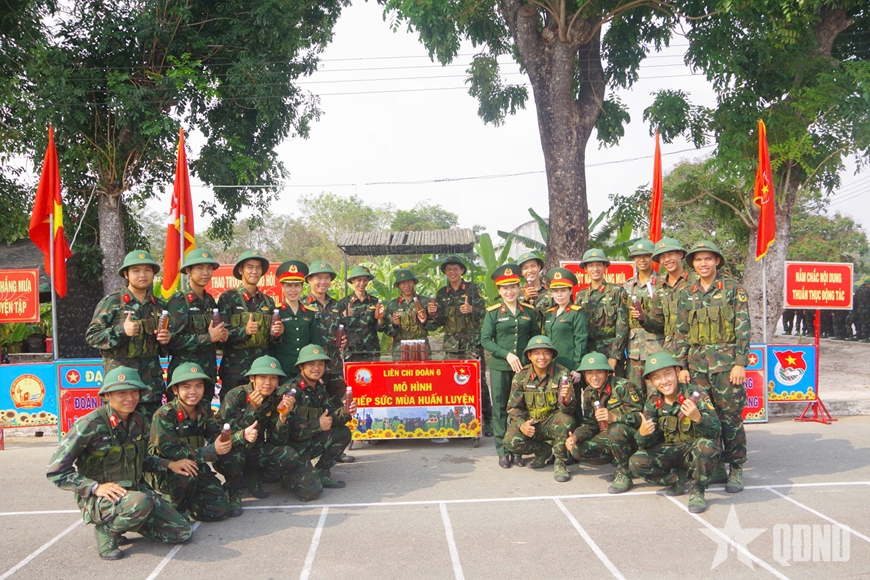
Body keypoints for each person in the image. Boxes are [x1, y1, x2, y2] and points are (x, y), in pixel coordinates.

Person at [46, 367, 193, 560]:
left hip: (135, 493)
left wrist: (169, 464)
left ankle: (128, 521)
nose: (130, 398)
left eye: (134, 392)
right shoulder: (90, 425)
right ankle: (108, 531)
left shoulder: (139, 420)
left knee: (182, 532)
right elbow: (56, 471)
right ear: (107, 395)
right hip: (101, 497)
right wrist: (94, 487)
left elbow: (142, 460)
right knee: (141, 502)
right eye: (121, 393)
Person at [674, 240, 750, 493]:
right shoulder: (687, 293)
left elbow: (743, 328)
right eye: (698, 260)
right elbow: (681, 333)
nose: (703, 264)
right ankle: (715, 465)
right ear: (693, 264)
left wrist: (740, 363)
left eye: (707, 259)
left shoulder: (732, 289)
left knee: (730, 418)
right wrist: (681, 365)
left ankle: (736, 468)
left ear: (717, 261)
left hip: (727, 368)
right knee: (706, 417)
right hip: (696, 368)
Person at [630, 352, 722, 514]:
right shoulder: (653, 402)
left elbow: (716, 430)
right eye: (656, 377)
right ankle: (677, 479)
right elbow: (648, 444)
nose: (664, 381)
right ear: (651, 381)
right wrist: (643, 434)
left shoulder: (695, 394)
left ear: (677, 372)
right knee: (636, 462)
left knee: (707, 446)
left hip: (693, 450)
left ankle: (698, 490)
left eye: (667, 374)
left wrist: (698, 418)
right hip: (670, 451)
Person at [86, 250, 170, 421]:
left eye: (147, 270)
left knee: (150, 433)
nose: (142, 275)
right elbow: (92, 336)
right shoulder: (113, 302)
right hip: (120, 383)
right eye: (136, 271)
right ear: (126, 274)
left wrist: (165, 340)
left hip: (149, 386)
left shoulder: (159, 306)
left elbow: (164, 348)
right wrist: (121, 331)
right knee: (118, 432)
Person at [216, 355, 309, 508]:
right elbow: (223, 432)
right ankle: (235, 492)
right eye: (263, 377)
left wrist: (283, 417)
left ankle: (253, 476)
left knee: (288, 455)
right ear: (252, 378)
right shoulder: (236, 396)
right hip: (232, 448)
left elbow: (278, 439)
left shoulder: (275, 399)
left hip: (256, 450)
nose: (268, 383)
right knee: (234, 455)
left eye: (273, 378)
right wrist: (252, 409)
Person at [148, 362, 232, 521]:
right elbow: (170, 451)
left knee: (219, 510)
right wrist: (211, 451)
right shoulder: (164, 415)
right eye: (186, 387)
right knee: (185, 474)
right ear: (175, 390)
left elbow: (214, 433)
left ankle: (187, 501)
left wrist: (223, 441)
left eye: (198, 386)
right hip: (166, 470)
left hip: (194, 465)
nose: (193, 392)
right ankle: (172, 507)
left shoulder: (203, 408)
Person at [481, 263, 538, 468]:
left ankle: (518, 449)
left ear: (519, 287)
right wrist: (507, 355)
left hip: (523, 369)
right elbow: (486, 339)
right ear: (499, 290)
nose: (510, 291)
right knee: (500, 409)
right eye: (505, 288)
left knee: (522, 408)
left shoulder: (528, 312)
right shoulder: (493, 313)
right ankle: (502, 450)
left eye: (513, 286)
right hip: (500, 368)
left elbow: (535, 337)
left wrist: (528, 358)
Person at [281, 344, 356, 497]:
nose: (317, 368)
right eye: (311, 364)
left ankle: (321, 473)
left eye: (320, 364)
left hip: (309, 442)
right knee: (310, 493)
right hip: (292, 449)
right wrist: (317, 426)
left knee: (343, 433)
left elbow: (331, 418)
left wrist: (345, 411)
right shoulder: (291, 390)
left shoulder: (319, 390)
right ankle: (287, 476)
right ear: (301, 366)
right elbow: (286, 429)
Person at [565, 352, 644, 493]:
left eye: (599, 372)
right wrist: (575, 437)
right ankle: (621, 462)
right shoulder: (589, 393)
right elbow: (590, 424)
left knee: (616, 429)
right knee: (577, 450)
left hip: (635, 437)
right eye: (589, 373)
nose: (594, 377)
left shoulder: (623, 386)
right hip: (611, 437)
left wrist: (614, 417)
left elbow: (640, 416)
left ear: (607, 373)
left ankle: (625, 473)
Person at [503, 336, 576, 482]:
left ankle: (560, 462)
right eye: (536, 353)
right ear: (529, 356)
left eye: (546, 353)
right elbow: (513, 407)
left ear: (552, 355)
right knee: (510, 441)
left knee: (566, 420)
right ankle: (543, 450)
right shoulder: (521, 376)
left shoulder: (562, 374)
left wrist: (567, 401)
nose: (542, 357)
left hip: (551, 423)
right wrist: (522, 424)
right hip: (531, 424)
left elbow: (570, 410)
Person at [434, 255, 492, 436]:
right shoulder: (441, 294)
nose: (452, 272)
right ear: (445, 272)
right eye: (449, 269)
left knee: (479, 382)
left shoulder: (472, 289)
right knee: (452, 383)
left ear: (462, 271)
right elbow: (439, 321)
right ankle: (456, 421)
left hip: (471, 344)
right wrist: (434, 314)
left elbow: (484, 313)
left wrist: (472, 310)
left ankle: (487, 420)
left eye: (456, 269)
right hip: (451, 345)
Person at [217, 250, 284, 401]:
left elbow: (272, 341)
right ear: (241, 270)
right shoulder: (228, 298)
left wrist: (277, 334)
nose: (254, 271)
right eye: (250, 267)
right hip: (235, 372)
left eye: (258, 268)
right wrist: (244, 332)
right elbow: (221, 335)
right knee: (231, 414)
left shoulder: (268, 302)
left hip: (262, 374)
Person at [166, 249, 228, 403]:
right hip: (185, 377)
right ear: (188, 271)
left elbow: (214, 336)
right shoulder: (179, 301)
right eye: (199, 268)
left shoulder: (210, 301)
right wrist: (208, 338)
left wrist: (221, 336)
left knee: (204, 420)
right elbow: (172, 341)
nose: (205, 272)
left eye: (209, 268)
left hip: (206, 375)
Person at [575, 248, 629, 374]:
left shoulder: (617, 291)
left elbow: (622, 326)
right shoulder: (581, 296)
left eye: (599, 265)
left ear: (605, 267)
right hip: (588, 352)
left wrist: (614, 356)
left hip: (610, 352)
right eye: (591, 265)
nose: (595, 269)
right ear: (585, 269)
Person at [541, 267, 589, 401]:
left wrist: (578, 367)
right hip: (551, 365)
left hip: (569, 366)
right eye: (555, 291)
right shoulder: (550, 313)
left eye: (563, 291)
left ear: (571, 291)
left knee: (572, 401)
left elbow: (581, 340)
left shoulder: (576, 312)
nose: (559, 295)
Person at [623, 240, 664, 395]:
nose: (642, 260)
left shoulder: (661, 283)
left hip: (656, 348)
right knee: (635, 394)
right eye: (637, 256)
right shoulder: (627, 286)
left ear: (652, 257)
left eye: (646, 255)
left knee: (657, 393)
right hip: (634, 352)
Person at [271, 260, 319, 377]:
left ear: (302, 287)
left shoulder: (309, 313)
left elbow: (315, 341)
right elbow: (270, 344)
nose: (293, 290)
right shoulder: (275, 313)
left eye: (297, 285)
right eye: (288, 286)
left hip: (305, 369)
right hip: (283, 370)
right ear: (282, 287)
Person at [382, 268, 439, 357]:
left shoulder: (425, 302)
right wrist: (394, 325)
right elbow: (388, 331)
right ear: (398, 285)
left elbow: (434, 326)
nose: (407, 286)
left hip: (422, 348)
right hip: (400, 350)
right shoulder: (393, 305)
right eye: (403, 283)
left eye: (409, 282)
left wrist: (424, 322)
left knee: (424, 371)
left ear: (414, 283)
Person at [337, 265, 384, 361]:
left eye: (365, 280)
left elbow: (380, 328)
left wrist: (380, 318)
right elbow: (336, 327)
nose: (362, 283)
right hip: (352, 352)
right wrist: (343, 316)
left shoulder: (375, 302)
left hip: (372, 350)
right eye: (359, 280)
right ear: (353, 281)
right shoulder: (344, 303)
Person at [517, 251, 550, 324]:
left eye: (533, 266)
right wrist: (525, 299)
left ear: (539, 267)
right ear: (521, 272)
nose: (530, 270)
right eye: (525, 268)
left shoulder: (550, 291)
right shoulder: (517, 294)